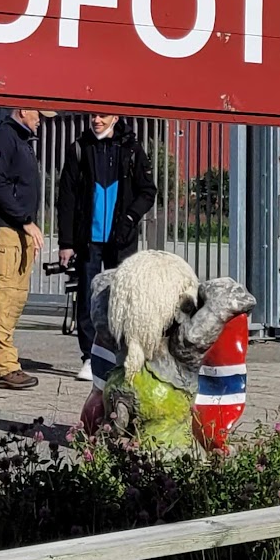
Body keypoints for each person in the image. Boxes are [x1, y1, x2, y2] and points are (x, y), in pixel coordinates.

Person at [56, 111, 157, 381]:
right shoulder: (79, 148)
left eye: (102, 116)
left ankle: (121, 354)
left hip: (120, 239)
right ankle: (90, 357)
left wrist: (129, 217)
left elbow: (148, 191)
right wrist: (66, 242)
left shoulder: (132, 149)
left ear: (115, 117)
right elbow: (66, 196)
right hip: (88, 239)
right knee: (88, 298)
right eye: (93, 116)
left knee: (120, 297)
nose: (96, 120)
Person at [0, 108, 47, 390]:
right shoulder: (1, 140)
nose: (41, 119)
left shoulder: (22, 142)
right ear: (23, 110)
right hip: (6, 229)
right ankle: (5, 366)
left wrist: (28, 228)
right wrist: (25, 221)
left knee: (16, 299)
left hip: (21, 230)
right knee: (4, 298)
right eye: (38, 113)